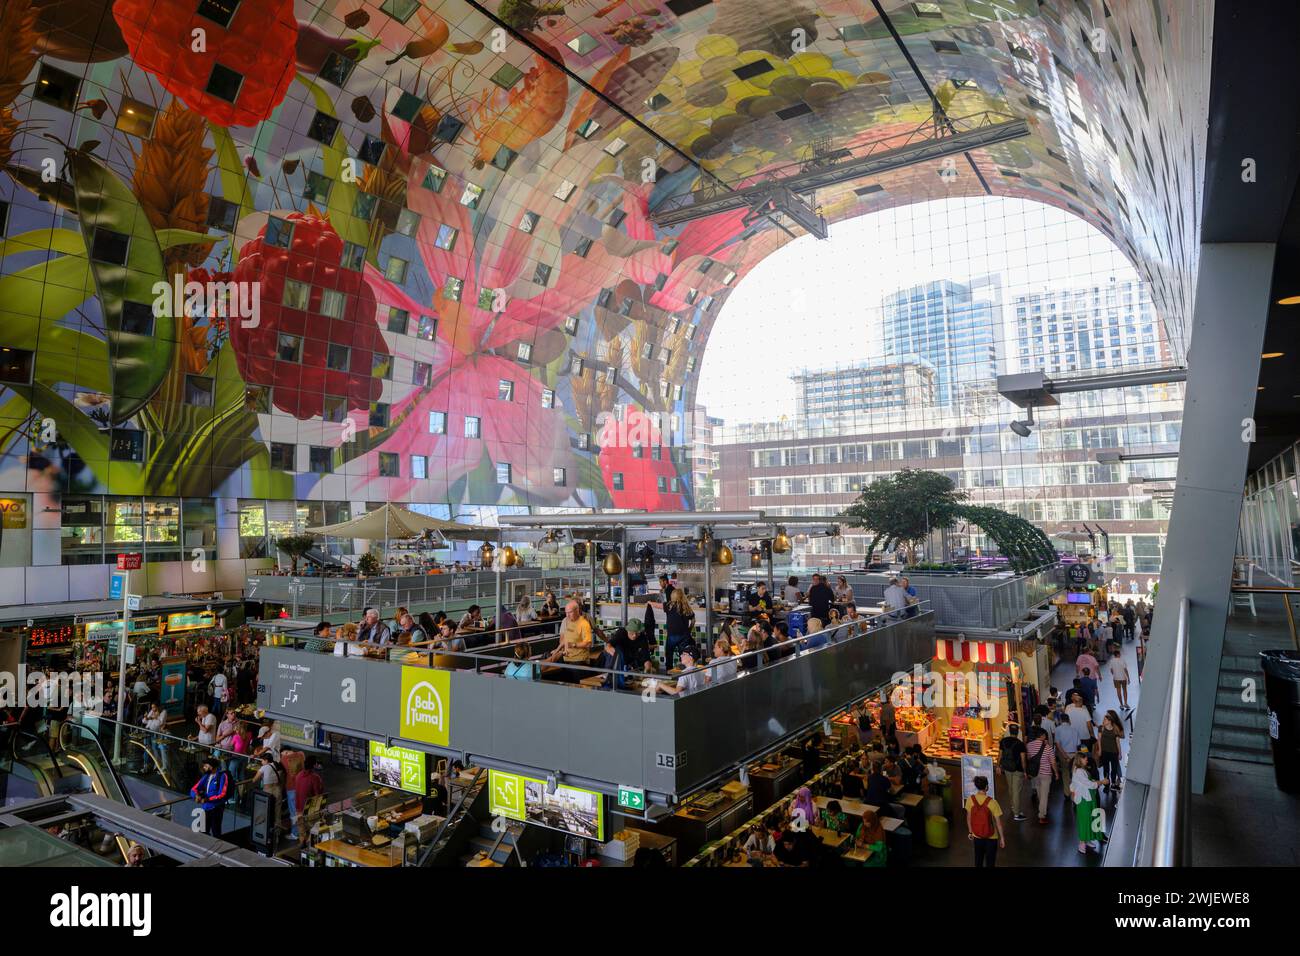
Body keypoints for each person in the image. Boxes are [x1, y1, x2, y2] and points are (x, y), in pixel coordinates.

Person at [964, 774, 1005, 867]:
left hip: (977, 835)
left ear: (976, 786)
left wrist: (970, 832)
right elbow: (999, 824)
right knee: (990, 862)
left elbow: (968, 818)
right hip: (991, 837)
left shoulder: (970, 799)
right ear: (986, 787)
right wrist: (1002, 838)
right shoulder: (993, 802)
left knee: (978, 860)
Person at [546, 600, 593, 681]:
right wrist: (556, 651)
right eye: (566, 612)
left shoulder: (584, 624)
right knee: (547, 658)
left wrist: (574, 645)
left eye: (570, 612)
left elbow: (588, 643)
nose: (567, 615)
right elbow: (565, 640)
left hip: (579, 660)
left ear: (577, 611)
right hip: (567, 658)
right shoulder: (568, 621)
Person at [1070, 752, 1104, 854]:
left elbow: (1079, 783)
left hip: (1087, 798)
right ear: (1080, 760)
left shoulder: (1079, 770)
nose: (1087, 760)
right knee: (1084, 821)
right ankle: (1082, 843)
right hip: (1084, 799)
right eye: (1085, 759)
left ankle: (1087, 839)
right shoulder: (1079, 771)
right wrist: (1101, 782)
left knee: (1089, 819)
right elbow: (1088, 784)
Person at [1025, 727, 1058, 823]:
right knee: (1044, 794)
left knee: (1039, 792)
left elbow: (1028, 758)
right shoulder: (1048, 747)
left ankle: (1042, 807)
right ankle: (1041, 815)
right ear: (1043, 736)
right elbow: (1053, 762)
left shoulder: (1029, 745)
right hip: (1045, 773)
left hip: (1034, 773)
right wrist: (1056, 773)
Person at [190, 757, 230, 836]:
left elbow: (222, 794)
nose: (204, 768)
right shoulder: (206, 776)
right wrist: (196, 796)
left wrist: (207, 799)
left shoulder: (222, 776)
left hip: (216, 808)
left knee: (216, 832)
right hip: (206, 808)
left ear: (211, 767)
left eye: (205, 766)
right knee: (203, 831)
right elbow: (194, 789)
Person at [997, 724, 1029, 822]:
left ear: (1009, 731)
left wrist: (998, 766)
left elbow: (1000, 755)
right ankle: (1017, 814)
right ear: (1018, 732)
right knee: (1016, 791)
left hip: (1007, 768)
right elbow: (1023, 760)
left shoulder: (1003, 741)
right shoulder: (1020, 744)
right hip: (1017, 770)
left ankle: (1013, 806)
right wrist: (1025, 771)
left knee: (1011, 788)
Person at [293, 755, 325, 843]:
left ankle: (302, 848)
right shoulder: (314, 777)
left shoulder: (298, 775)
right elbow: (318, 794)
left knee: (302, 832)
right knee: (314, 830)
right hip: (309, 809)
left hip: (298, 809)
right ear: (314, 765)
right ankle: (310, 849)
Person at [1052, 712, 1082, 800]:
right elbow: (1078, 744)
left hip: (1063, 754)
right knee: (1074, 774)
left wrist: (1065, 756)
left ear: (1061, 720)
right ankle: (1075, 792)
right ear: (1068, 720)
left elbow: (1057, 744)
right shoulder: (1075, 729)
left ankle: (1067, 792)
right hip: (1074, 754)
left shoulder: (1058, 729)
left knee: (1065, 773)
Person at [1095, 710, 1126, 794]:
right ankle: (1106, 784)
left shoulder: (1115, 729)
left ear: (1109, 721)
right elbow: (1099, 740)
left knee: (1114, 769)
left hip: (1114, 752)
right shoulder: (1101, 728)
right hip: (1105, 752)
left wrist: (1120, 753)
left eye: (1105, 720)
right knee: (1106, 769)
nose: (1103, 721)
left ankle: (1112, 783)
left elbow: (1118, 742)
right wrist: (1100, 750)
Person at [663, 588, 695, 668]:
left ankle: (668, 672)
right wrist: (689, 629)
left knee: (669, 655)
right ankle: (684, 673)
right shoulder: (686, 607)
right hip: (684, 635)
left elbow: (658, 605)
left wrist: (650, 603)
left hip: (672, 635)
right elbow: (693, 620)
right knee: (684, 655)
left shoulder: (669, 606)